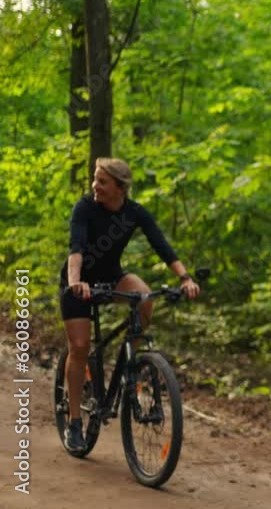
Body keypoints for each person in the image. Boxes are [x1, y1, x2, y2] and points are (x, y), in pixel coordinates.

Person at [59, 157, 200, 453]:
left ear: (121, 188)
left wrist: (185, 278)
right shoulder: (85, 207)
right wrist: (76, 282)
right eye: (95, 179)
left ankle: (130, 365)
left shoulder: (135, 213)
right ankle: (73, 421)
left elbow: (162, 246)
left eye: (102, 182)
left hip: (111, 278)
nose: (95, 186)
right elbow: (76, 248)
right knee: (81, 347)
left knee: (145, 298)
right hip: (79, 283)